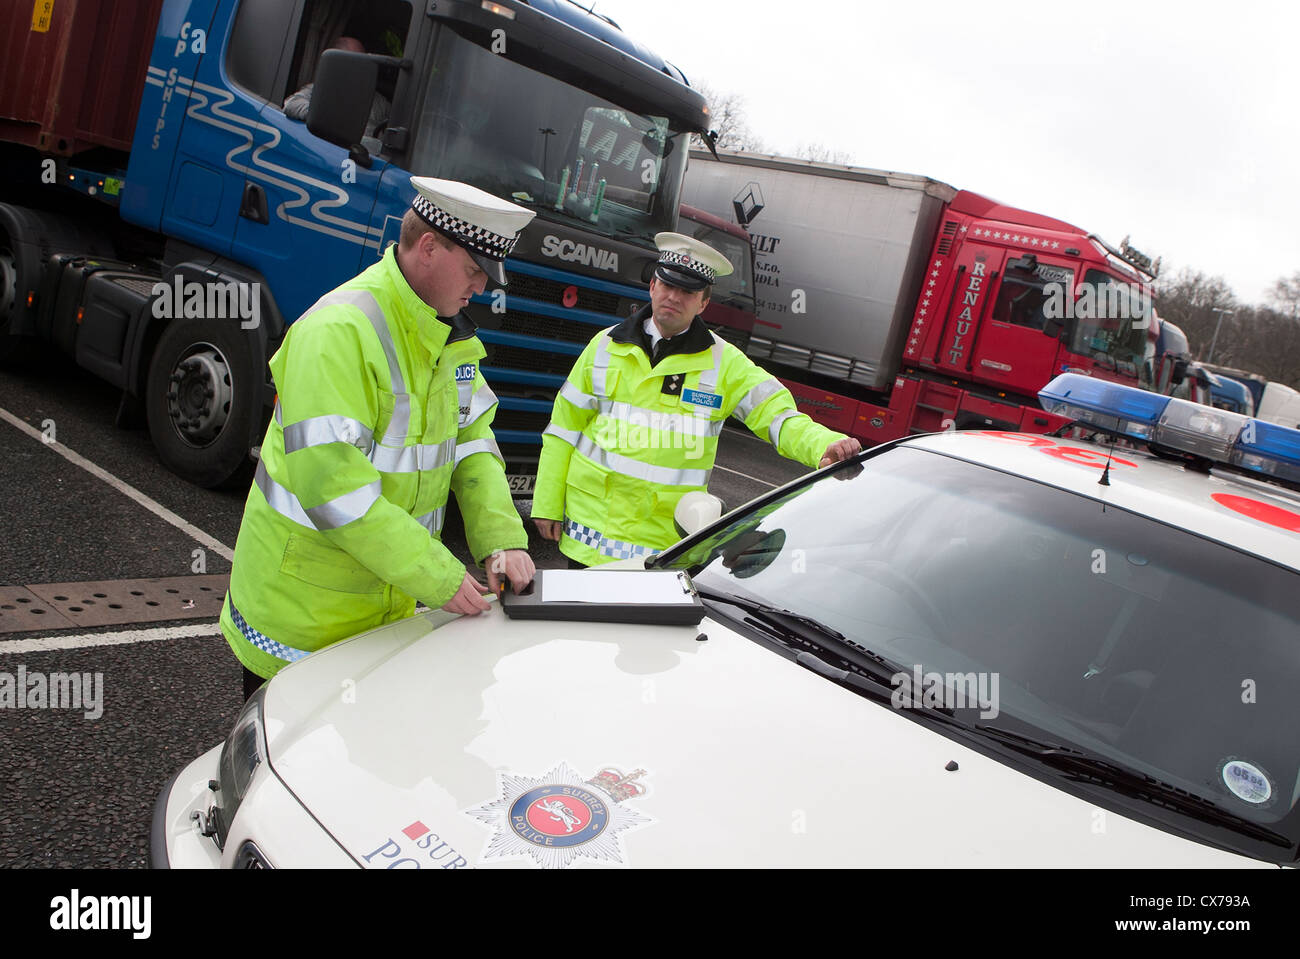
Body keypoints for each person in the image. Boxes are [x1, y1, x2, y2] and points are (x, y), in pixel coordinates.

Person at [222, 176, 538, 700]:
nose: (482, 288)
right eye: (475, 271)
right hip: (301, 622)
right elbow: (333, 487)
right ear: (430, 248)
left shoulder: (445, 333)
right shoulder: (338, 333)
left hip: (381, 610)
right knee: (281, 773)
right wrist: (439, 576)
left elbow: (474, 445)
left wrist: (500, 538)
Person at [531, 233, 862, 567]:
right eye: (667, 285)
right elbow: (563, 429)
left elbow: (778, 417)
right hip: (588, 539)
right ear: (652, 287)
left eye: (688, 292)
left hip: (662, 550)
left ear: (704, 303)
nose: (673, 297)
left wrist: (824, 444)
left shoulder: (725, 363)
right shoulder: (604, 346)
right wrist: (545, 503)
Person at [283, 36, 390, 141]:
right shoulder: (322, 90)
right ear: (338, 64)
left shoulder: (378, 101)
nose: (361, 66)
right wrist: (325, 117)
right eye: (356, 61)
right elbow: (291, 103)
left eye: (364, 61)